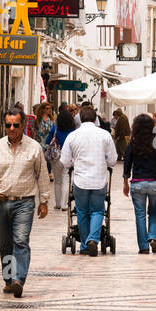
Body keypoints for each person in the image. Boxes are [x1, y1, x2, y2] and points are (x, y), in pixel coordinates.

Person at [0, 107, 51, 298]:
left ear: (23, 125)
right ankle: (9, 280)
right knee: (5, 245)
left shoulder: (34, 147)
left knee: (21, 241)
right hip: (0, 202)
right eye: (8, 125)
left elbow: (42, 175)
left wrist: (44, 201)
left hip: (24, 203)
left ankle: (19, 280)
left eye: (15, 125)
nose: (11, 129)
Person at [60, 103, 116, 256]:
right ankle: (93, 239)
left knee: (82, 212)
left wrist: (74, 161)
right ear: (95, 119)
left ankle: (85, 245)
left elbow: (64, 161)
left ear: (80, 118)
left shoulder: (73, 135)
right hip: (99, 180)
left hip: (80, 181)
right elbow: (112, 160)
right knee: (98, 210)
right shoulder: (105, 135)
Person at [122, 113, 156, 254]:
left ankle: (143, 247)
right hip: (155, 182)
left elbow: (127, 164)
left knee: (140, 215)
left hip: (138, 183)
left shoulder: (133, 143)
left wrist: (125, 183)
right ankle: (153, 237)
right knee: (154, 212)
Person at [52, 105, 78, 210]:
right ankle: (64, 204)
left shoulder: (55, 128)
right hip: (68, 157)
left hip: (56, 156)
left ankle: (57, 203)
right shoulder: (73, 131)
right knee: (66, 179)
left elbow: (48, 139)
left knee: (57, 180)